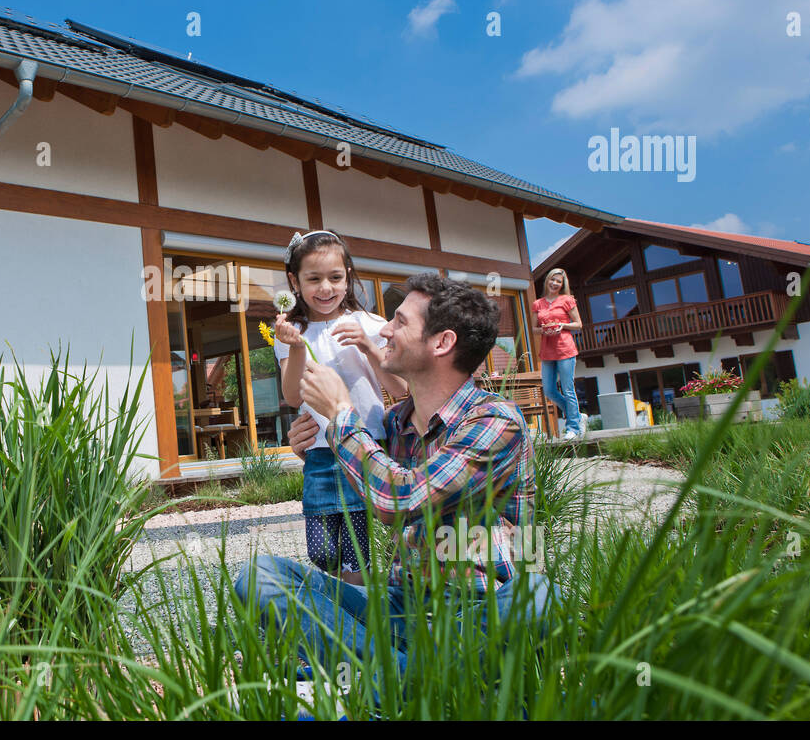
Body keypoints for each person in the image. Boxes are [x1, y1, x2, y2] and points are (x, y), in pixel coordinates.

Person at [234, 273, 558, 688]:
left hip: (479, 608)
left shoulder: (496, 420)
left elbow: (400, 498)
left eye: (400, 322)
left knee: (538, 598)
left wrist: (340, 415)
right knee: (261, 576)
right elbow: (369, 473)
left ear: (441, 343)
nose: (385, 329)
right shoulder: (396, 424)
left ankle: (382, 680)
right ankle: (413, 680)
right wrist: (316, 445)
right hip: (401, 606)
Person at [272, 230, 407, 582]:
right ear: (294, 282)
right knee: (322, 550)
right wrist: (297, 347)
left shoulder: (372, 325)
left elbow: (401, 387)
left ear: (348, 274)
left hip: (368, 446)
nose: (326, 288)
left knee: (360, 548)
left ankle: (359, 610)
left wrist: (369, 347)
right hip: (319, 452)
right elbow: (292, 396)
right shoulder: (291, 332)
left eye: (335, 277)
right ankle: (348, 603)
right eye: (313, 279)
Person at [533, 268, 584, 439]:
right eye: (552, 280)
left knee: (568, 389)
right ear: (547, 280)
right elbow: (533, 328)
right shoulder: (537, 304)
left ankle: (573, 428)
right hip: (547, 350)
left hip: (565, 348)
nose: (555, 283)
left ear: (562, 285)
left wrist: (563, 326)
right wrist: (543, 330)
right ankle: (576, 416)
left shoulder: (567, 300)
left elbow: (578, 324)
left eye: (559, 281)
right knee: (549, 391)